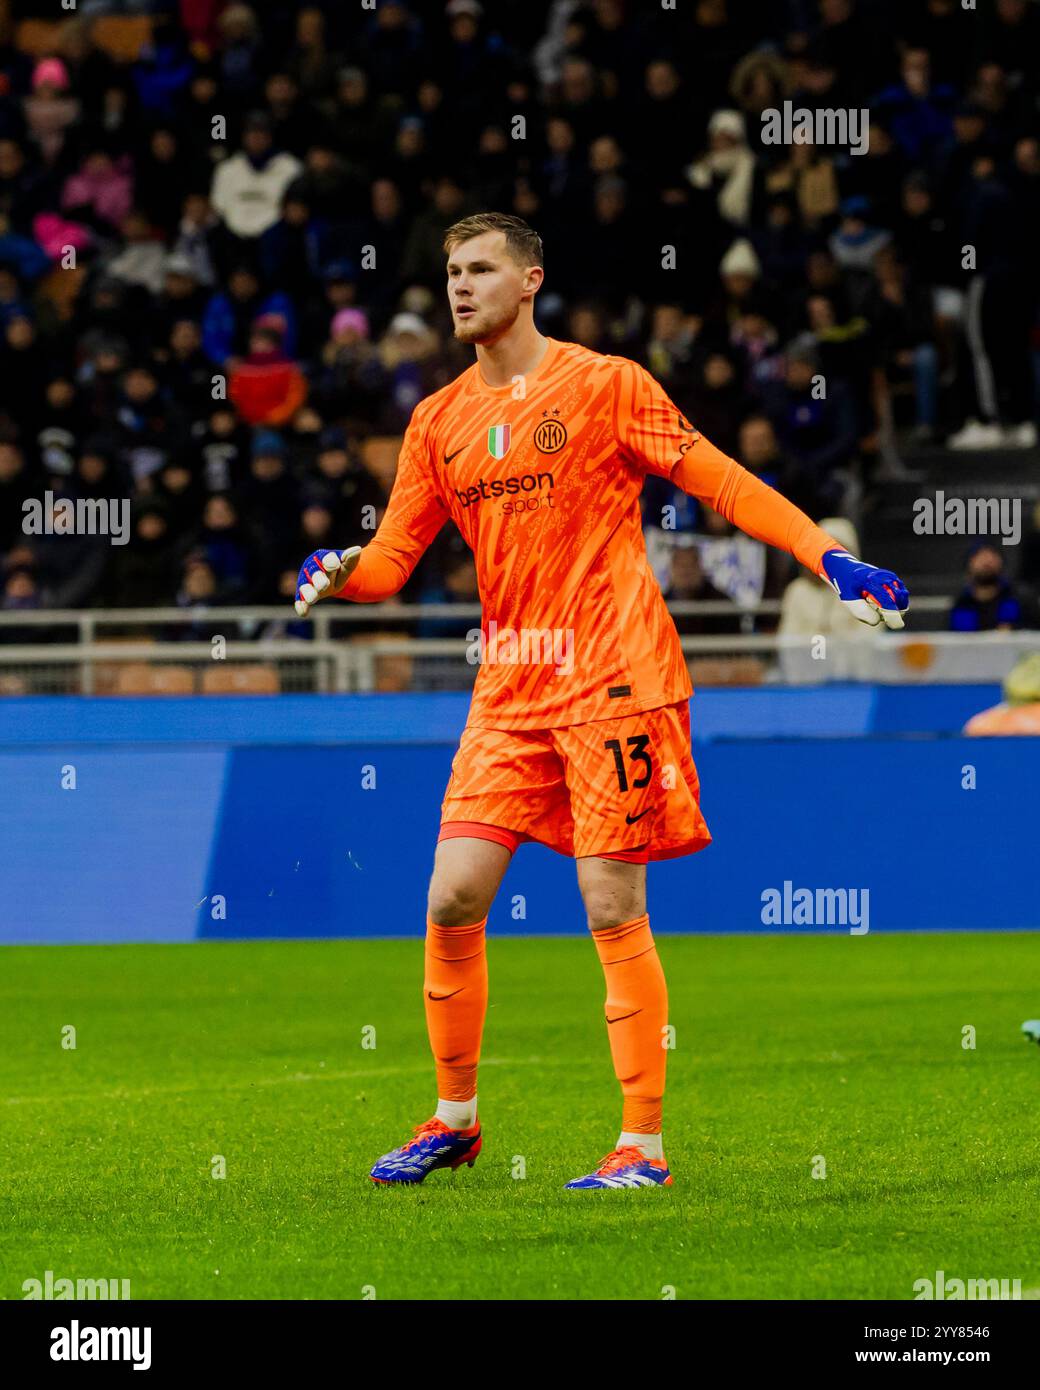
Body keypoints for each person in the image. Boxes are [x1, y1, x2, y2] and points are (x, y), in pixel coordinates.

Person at [293, 212, 909, 1191]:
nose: (459, 286)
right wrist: (340, 572)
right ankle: (454, 1118)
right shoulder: (436, 420)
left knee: (609, 898)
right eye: (450, 270)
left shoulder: (605, 385)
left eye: (481, 268)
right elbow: (393, 564)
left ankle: (642, 1146)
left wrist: (822, 553)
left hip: (612, 675)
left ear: (529, 279)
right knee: (452, 893)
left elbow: (717, 479)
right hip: (509, 685)